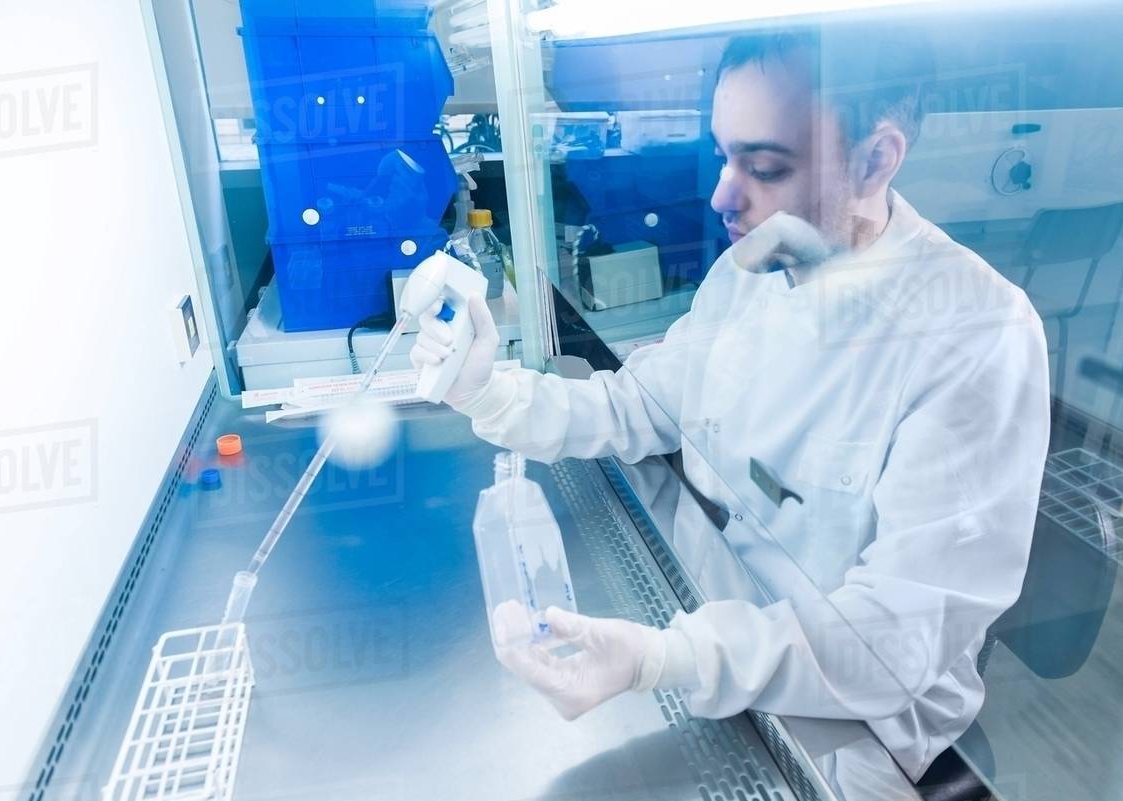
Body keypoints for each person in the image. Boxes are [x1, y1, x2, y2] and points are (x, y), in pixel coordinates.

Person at [411, 30, 1050, 782]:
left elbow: (890, 643)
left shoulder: (976, 336)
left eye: (766, 166)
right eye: (723, 155)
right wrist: (487, 390)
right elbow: (636, 405)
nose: (722, 194)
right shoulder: (755, 267)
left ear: (876, 159)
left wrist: (663, 658)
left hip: (847, 731)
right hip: (701, 621)